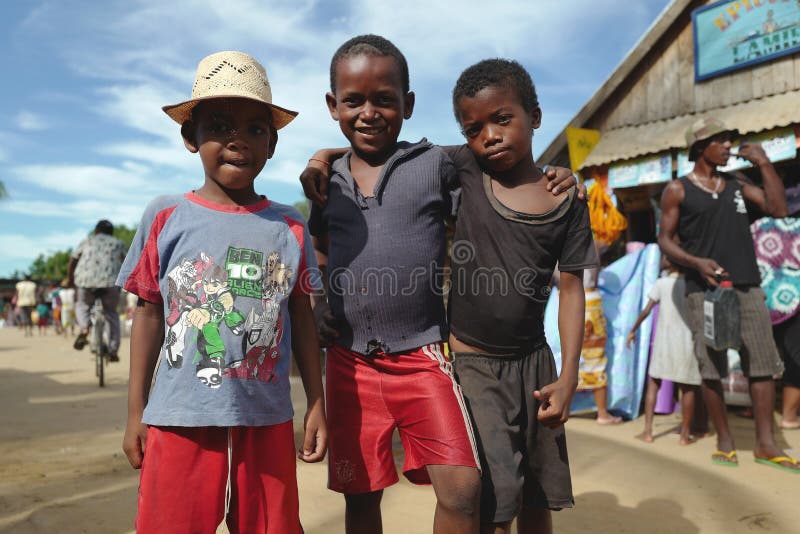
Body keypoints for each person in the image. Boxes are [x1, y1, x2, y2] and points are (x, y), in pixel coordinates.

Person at [302, 36, 581, 534]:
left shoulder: (434, 163)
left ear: (408, 104)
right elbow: (320, 249)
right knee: (360, 496)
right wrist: (322, 300)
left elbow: (505, 159)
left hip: (424, 355)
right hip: (349, 362)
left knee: (462, 489)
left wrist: (559, 174)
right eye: (353, 101)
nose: (369, 113)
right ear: (333, 105)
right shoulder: (328, 184)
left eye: (384, 99)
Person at [117, 50, 327, 533]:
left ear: (272, 144)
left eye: (255, 128)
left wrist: (316, 403)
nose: (238, 140)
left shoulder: (289, 226)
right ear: (190, 137)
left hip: (266, 420)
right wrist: (135, 413)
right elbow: (148, 314)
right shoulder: (166, 216)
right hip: (179, 420)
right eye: (219, 126)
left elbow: (301, 318)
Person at [446, 59, 597, 534]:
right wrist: (323, 157)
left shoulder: (567, 200)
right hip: (473, 366)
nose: (489, 136)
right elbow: (388, 151)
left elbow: (571, 289)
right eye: (473, 129)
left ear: (534, 116)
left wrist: (569, 375)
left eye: (502, 119)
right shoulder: (465, 170)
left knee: (538, 493)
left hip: (536, 366)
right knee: (496, 498)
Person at [658, 116, 798, 473]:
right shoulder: (677, 189)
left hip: (747, 285)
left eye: (728, 139)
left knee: (762, 363)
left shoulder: (736, 182)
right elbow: (664, 239)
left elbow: (779, 209)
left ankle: (766, 444)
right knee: (711, 366)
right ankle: (725, 439)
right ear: (699, 147)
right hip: (703, 290)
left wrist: (764, 163)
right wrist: (696, 262)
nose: (727, 146)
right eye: (719, 140)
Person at [627, 258, 701, 444]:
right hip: (687, 343)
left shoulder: (662, 283)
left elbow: (646, 311)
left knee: (654, 383)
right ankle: (684, 435)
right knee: (688, 388)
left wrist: (633, 330)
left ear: (670, 263)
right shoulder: (693, 284)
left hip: (663, 342)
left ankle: (648, 432)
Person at [68, 220, 128, 361]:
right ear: (111, 232)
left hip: (85, 281)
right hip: (110, 282)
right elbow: (127, 262)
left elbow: (73, 261)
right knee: (111, 314)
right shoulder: (118, 243)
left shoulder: (87, 241)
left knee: (82, 305)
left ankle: (84, 328)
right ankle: (113, 350)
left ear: (96, 231)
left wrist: (70, 279)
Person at [578, 262, 623, 425]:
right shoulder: (587, 249)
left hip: (564, 299)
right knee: (595, 360)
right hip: (588, 302)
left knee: (567, 360)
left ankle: (561, 407)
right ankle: (602, 413)